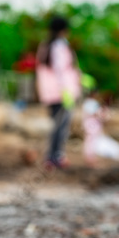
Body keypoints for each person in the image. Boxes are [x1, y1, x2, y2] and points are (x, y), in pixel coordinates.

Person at [36, 16, 81, 169]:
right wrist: (67, 91)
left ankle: (52, 157)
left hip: (50, 93)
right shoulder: (59, 46)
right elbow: (60, 70)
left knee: (56, 125)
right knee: (61, 126)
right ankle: (55, 157)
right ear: (64, 30)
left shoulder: (45, 45)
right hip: (61, 93)